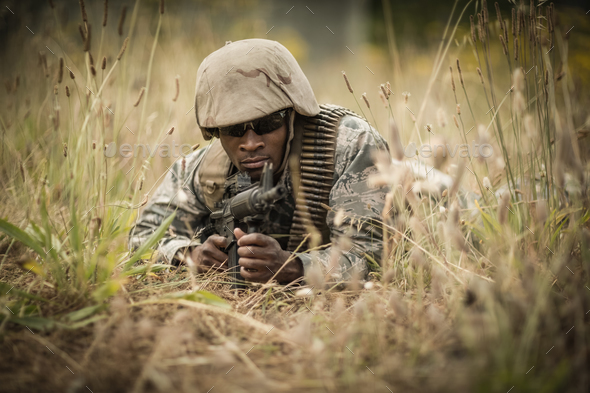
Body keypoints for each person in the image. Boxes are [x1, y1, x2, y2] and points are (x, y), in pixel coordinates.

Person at [128, 38, 391, 285]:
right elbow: (142, 238)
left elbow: (371, 255)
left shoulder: (350, 146)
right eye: (233, 128)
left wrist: (293, 267)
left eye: (267, 123)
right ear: (216, 131)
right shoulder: (206, 170)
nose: (251, 143)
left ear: (293, 115)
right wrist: (189, 255)